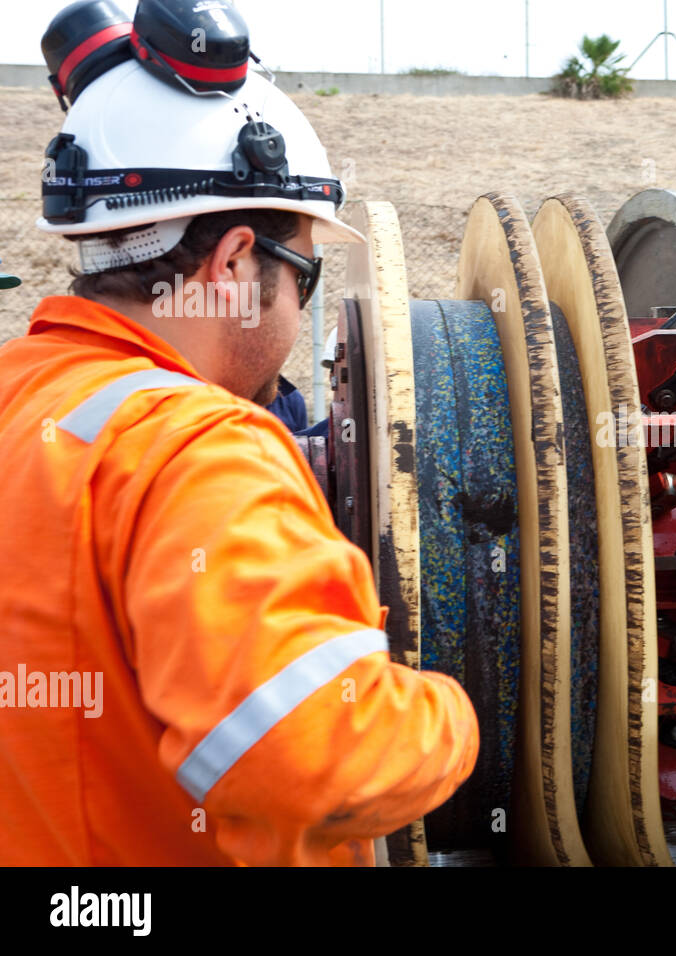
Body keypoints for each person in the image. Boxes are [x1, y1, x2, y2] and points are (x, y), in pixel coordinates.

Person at [0, 40, 478, 865]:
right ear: (232, 262)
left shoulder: (21, 395)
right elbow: (314, 757)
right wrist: (458, 718)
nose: (301, 310)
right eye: (306, 276)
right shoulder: (201, 450)